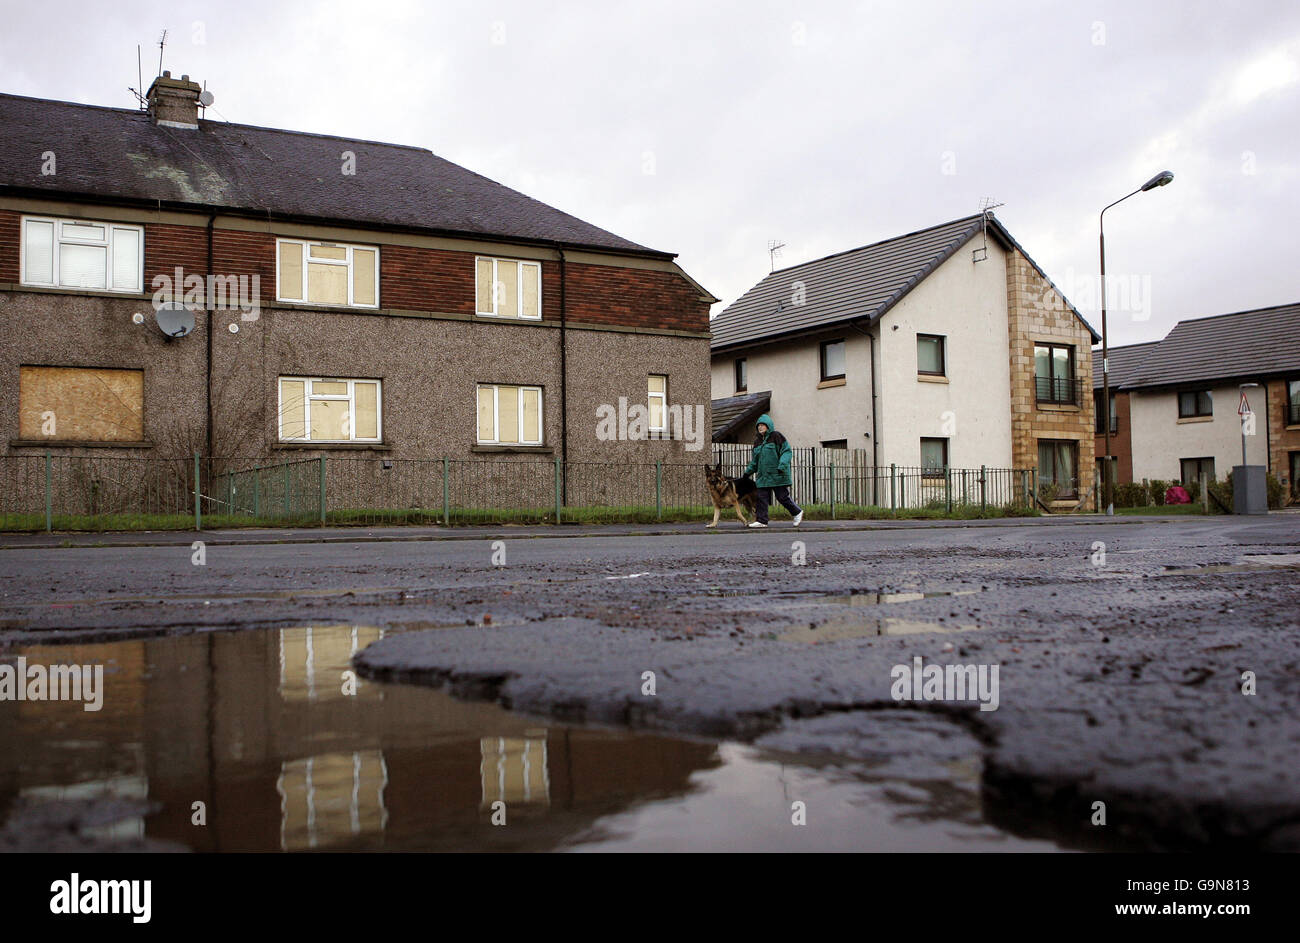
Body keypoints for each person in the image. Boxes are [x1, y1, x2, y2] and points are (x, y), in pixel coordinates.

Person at [742, 413, 803, 527]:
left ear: (768, 426)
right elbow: (755, 461)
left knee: (782, 497)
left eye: (762, 425)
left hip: (777, 474)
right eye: (758, 425)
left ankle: (797, 512)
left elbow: (786, 451)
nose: (760, 427)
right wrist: (747, 472)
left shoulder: (776, 436)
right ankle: (762, 520)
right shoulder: (757, 442)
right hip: (763, 476)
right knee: (761, 498)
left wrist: (782, 465)